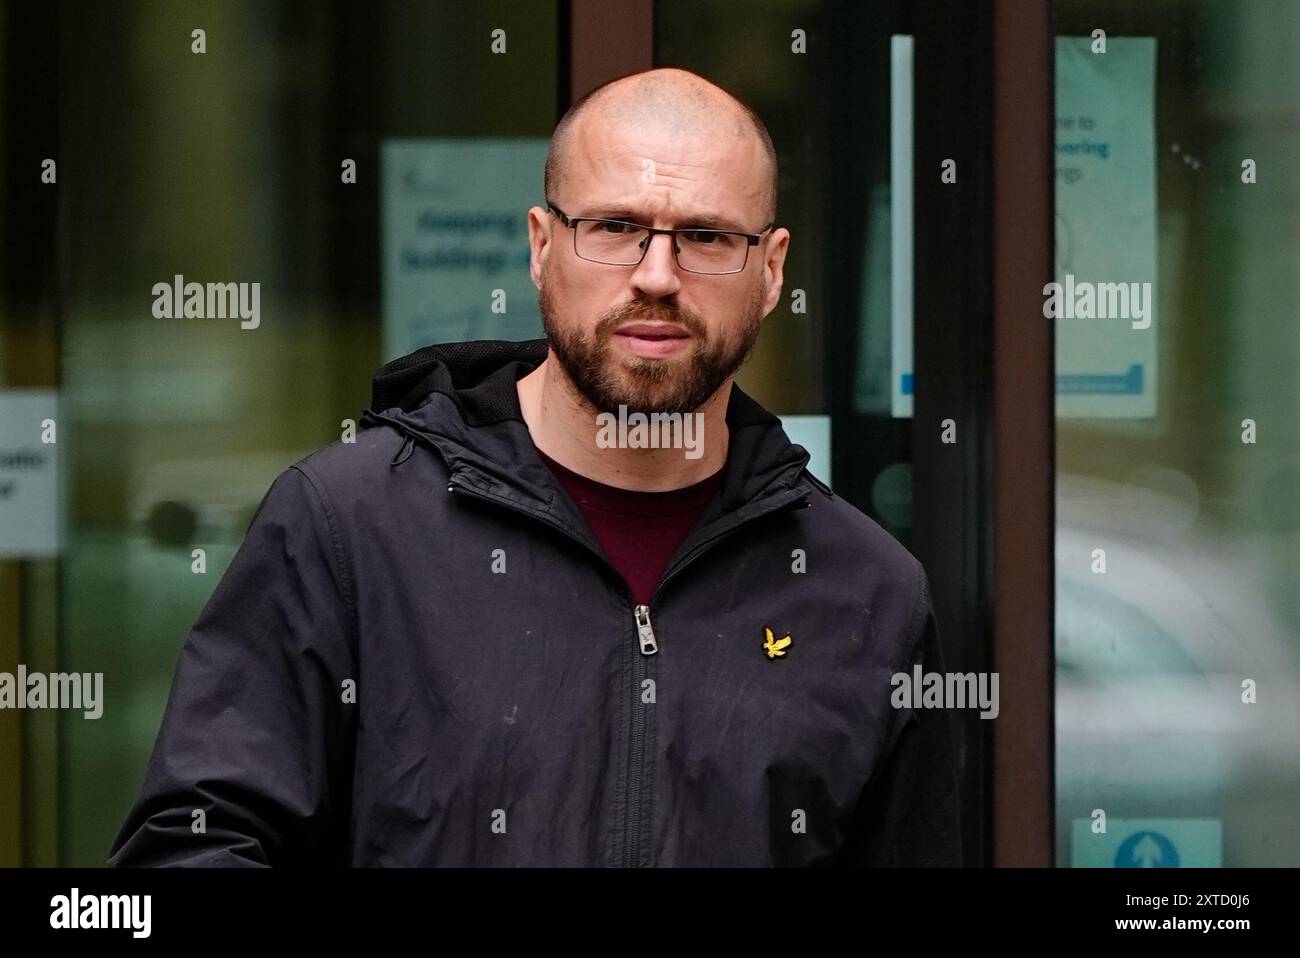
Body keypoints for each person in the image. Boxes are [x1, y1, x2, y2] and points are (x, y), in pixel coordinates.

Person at [108, 66, 961, 867]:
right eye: (616, 228)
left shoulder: (868, 595)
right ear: (541, 244)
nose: (657, 276)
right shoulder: (349, 530)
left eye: (705, 236)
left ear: (770, 271)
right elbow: (198, 845)